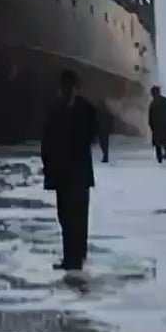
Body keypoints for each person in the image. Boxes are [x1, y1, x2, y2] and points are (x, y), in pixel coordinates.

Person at [42, 70, 98, 271]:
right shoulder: (55, 110)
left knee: (78, 217)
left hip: (79, 172)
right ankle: (70, 256)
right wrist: (48, 165)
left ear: (76, 88)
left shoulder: (86, 109)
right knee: (65, 216)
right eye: (63, 88)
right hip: (62, 173)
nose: (66, 91)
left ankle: (76, 256)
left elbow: (92, 135)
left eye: (69, 87)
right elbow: (47, 139)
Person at [148, 86, 166, 163]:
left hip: (159, 127)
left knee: (158, 142)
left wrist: (152, 127)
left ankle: (160, 157)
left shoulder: (153, 104)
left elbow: (150, 119)